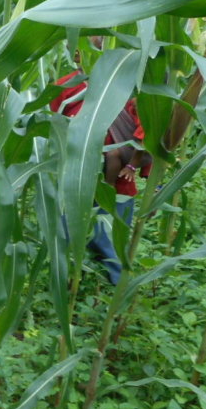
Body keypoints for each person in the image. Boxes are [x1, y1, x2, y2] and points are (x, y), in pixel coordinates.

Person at [51, 62, 151, 285]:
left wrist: (151, 179)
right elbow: (52, 124)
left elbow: (147, 134)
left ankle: (116, 286)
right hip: (75, 179)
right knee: (66, 234)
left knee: (111, 241)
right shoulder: (66, 86)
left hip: (118, 185)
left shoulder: (128, 88)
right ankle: (65, 280)